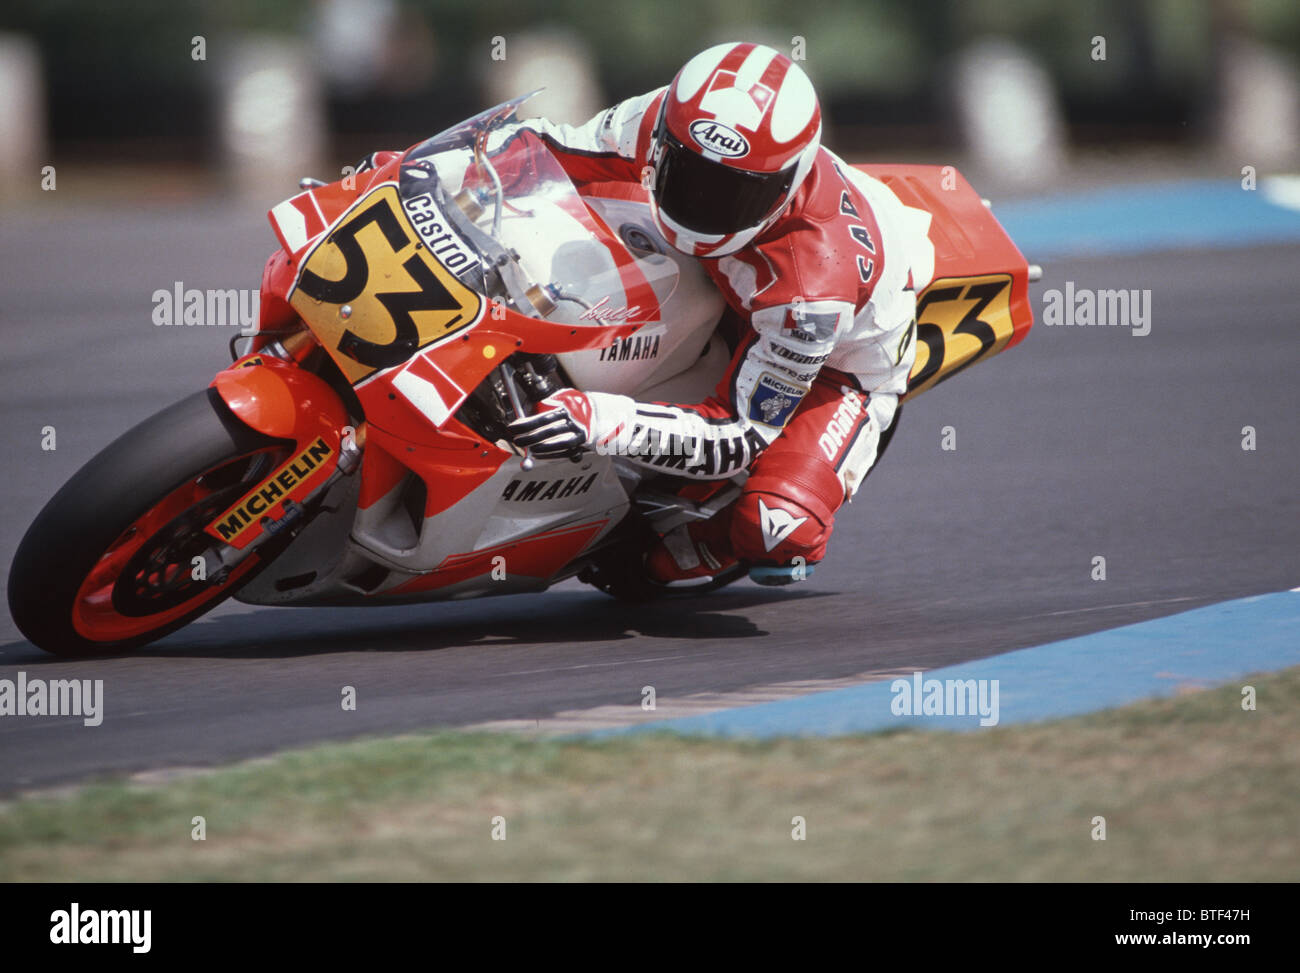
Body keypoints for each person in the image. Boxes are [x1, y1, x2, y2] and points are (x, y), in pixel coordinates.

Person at [503, 41, 936, 585]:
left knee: (777, 526)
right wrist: (414, 169)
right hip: (726, 279)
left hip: (834, 368)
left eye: (731, 193)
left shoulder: (812, 289)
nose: (700, 202)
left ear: (785, 186)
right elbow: (544, 148)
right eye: (687, 174)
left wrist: (600, 421)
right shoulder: (661, 117)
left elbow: (738, 434)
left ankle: (712, 546)